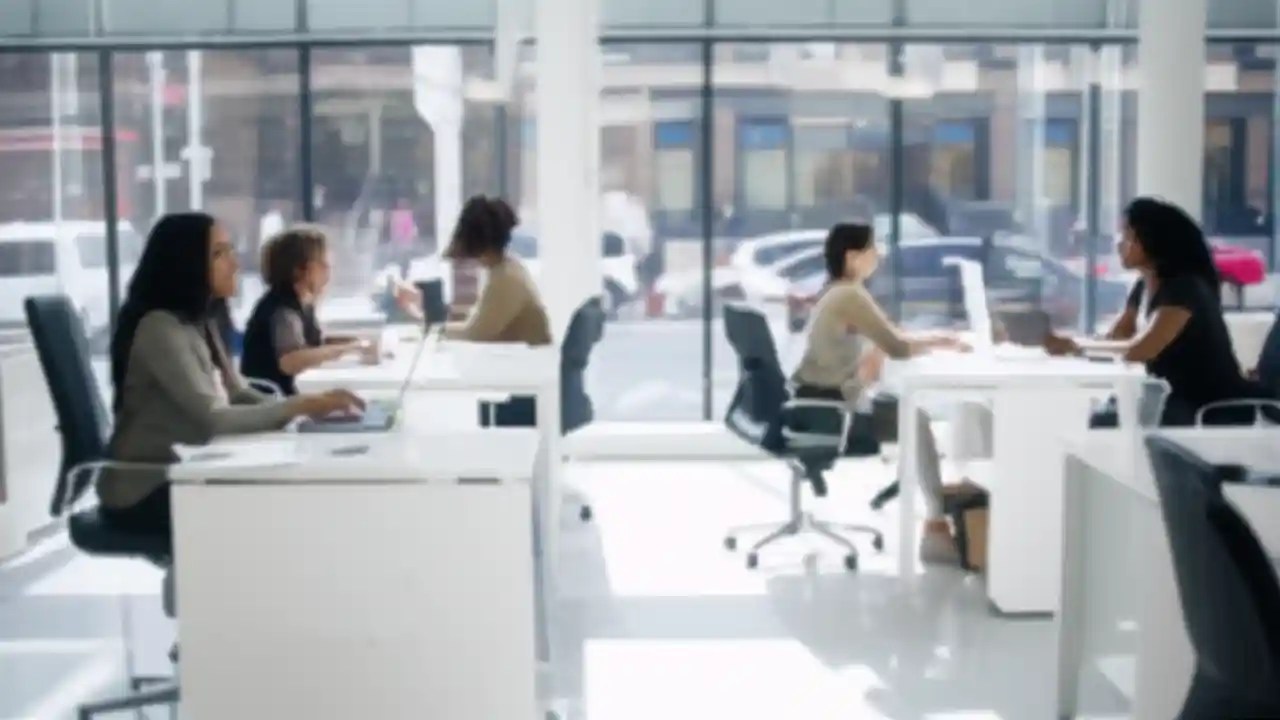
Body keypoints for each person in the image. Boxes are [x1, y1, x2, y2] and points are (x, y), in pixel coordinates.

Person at [103, 213, 364, 541]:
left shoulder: (201, 321)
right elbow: (213, 418)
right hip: (148, 486)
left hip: (189, 469)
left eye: (230, 251)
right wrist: (301, 406)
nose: (235, 263)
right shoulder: (160, 328)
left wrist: (305, 415)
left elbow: (238, 393)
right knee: (279, 515)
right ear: (186, 263)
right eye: (219, 253)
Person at [792, 222, 972, 565]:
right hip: (831, 409)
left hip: (824, 398)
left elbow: (890, 335)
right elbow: (898, 347)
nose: (880, 256)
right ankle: (936, 525)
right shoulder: (849, 295)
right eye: (874, 249)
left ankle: (939, 510)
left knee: (906, 410)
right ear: (852, 257)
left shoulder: (838, 291)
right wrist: (939, 341)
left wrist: (934, 338)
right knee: (912, 416)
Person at [1045, 197, 1268, 426]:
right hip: (1169, 399)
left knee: (1114, 422)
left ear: (1152, 240)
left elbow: (1141, 349)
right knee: (1103, 417)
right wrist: (1069, 344)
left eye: (1127, 235)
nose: (1119, 244)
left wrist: (1075, 345)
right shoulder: (1143, 286)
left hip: (1207, 407)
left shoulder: (1184, 288)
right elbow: (1118, 338)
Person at [241, 226, 380, 396]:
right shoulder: (282, 310)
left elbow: (315, 344)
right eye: (323, 265)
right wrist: (349, 349)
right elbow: (290, 361)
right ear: (299, 270)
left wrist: (358, 344)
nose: (329, 272)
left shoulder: (301, 304)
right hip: (269, 403)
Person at [443, 195, 552, 346]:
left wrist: (436, 331)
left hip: (529, 365)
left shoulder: (506, 279)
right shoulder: (507, 268)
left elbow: (475, 333)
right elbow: (479, 324)